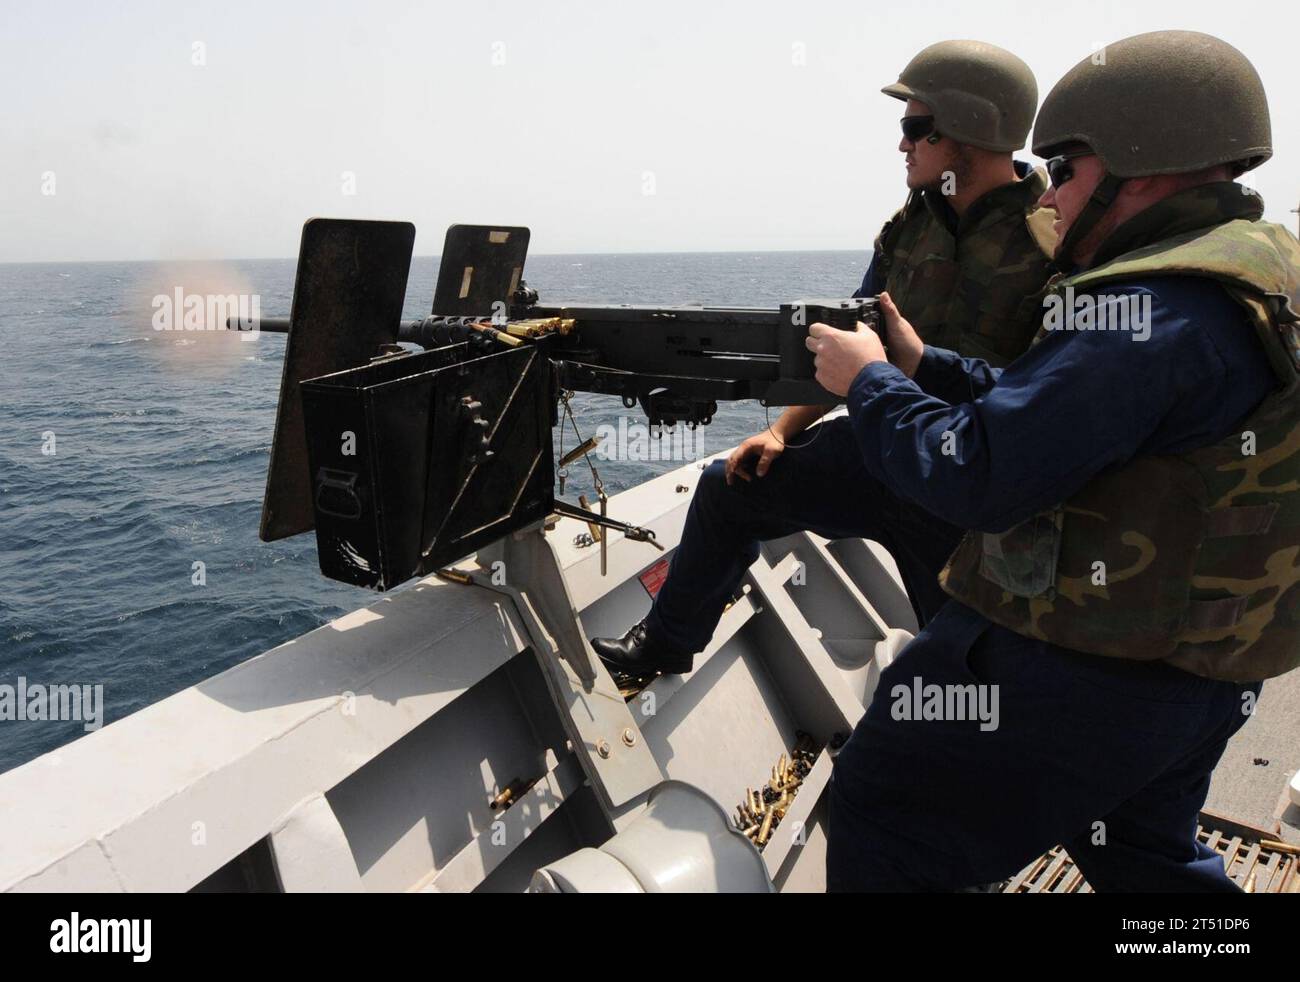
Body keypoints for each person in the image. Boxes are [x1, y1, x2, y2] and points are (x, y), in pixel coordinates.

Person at [806, 30, 1298, 891]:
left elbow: (980, 476)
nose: (1054, 199)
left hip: (1075, 668)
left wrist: (872, 384)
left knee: (891, 814)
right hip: (1208, 666)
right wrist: (930, 367)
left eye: (1065, 170)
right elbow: (1082, 415)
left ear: (1138, 169)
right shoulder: (1259, 272)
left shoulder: (1148, 309)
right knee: (1145, 856)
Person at [591, 40, 1055, 675]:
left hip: (970, 496)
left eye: (916, 129)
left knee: (967, 670)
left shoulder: (1055, 244)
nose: (903, 146)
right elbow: (847, 348)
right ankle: (665, 645)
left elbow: (1055, 398)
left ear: (969, 131)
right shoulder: (907, 229)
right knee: (728, 489)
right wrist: (780, 432)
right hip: (881, 455)